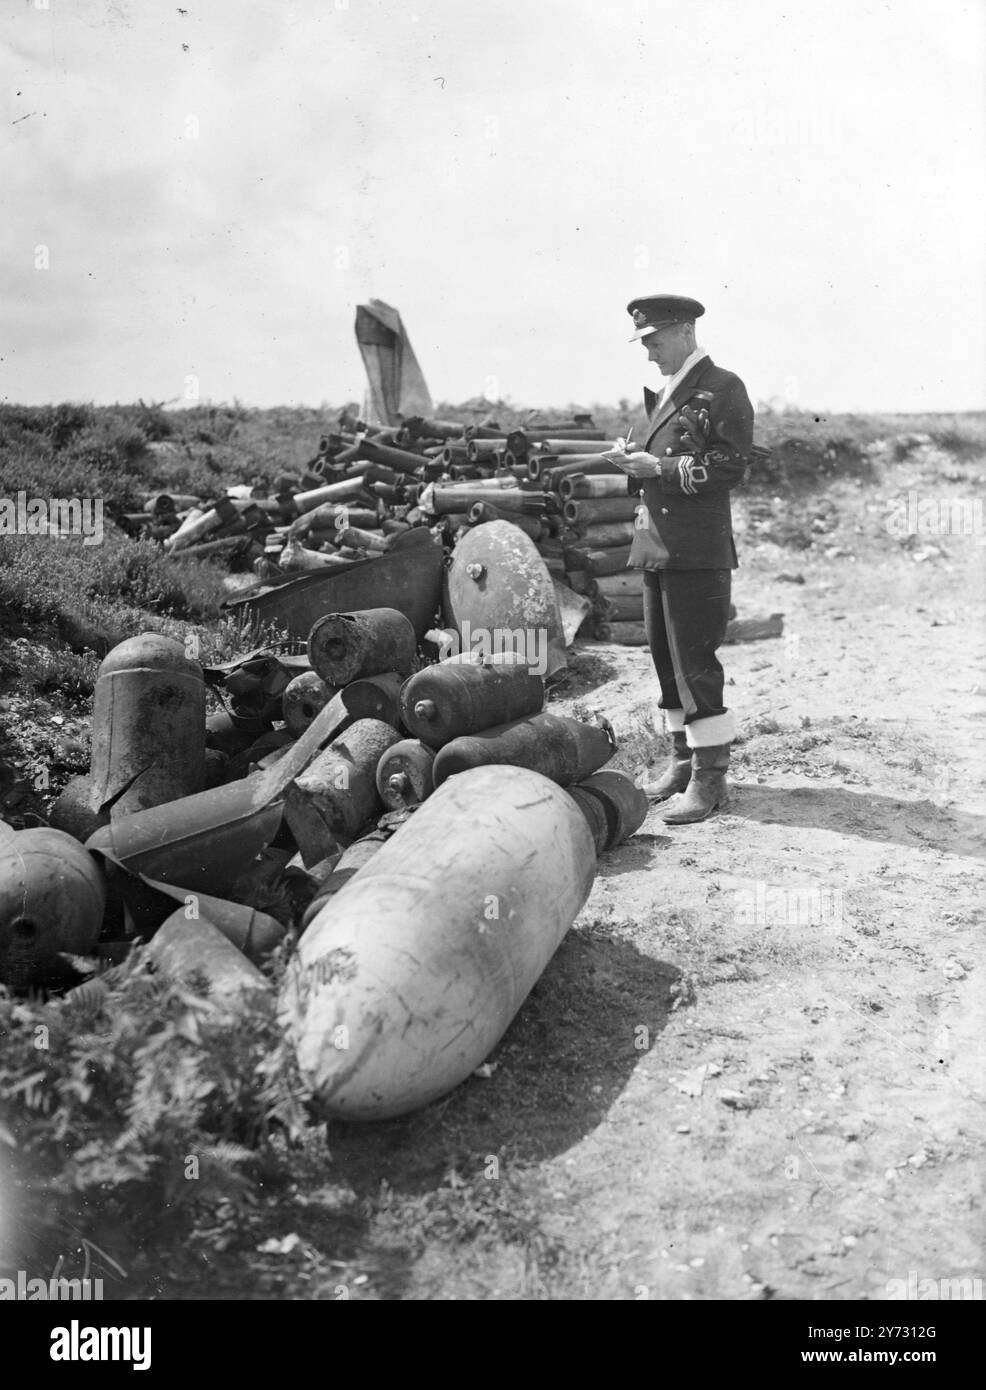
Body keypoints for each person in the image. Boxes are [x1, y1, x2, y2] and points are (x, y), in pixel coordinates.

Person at [603, 294, 754, 824]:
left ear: (686, 331)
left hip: (698, 550)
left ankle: (711, 780)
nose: (649, 353)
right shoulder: (666, 392)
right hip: (658, 547)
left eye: (655, 340)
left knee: (695, 662)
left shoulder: (723, 388)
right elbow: (661, 462)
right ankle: (683, 761)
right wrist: (633, 462)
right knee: (665, 659)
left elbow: (732, 467)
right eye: (644, 342)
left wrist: (660, 470)